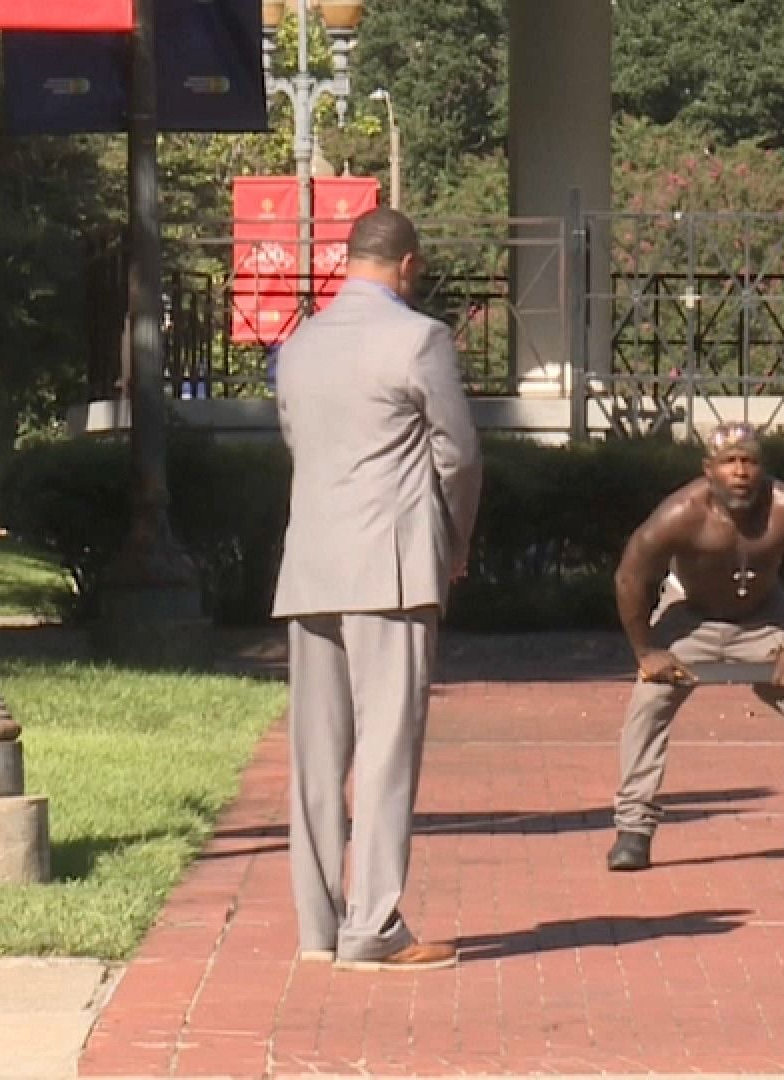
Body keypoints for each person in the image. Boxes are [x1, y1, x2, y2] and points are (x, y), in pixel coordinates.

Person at [271, 208, 482, 972]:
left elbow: (296, 441)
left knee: (317, 756)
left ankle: (317, 927)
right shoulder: (419, 339)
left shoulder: (298, 346)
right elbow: (456, 454)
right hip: (389, 567)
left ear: (347, 258)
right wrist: (452, 542)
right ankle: (375, 924)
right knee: (388, 748)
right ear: (408, 266)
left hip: (311, 565)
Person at [606, 423, 784, 873]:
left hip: (764, 618)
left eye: (750, 462)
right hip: (690, 616)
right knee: (649, 700)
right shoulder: (680, 514)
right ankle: (633, 830)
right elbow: (631, 576)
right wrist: (646, 652)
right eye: (729, 462)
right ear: (710, 470)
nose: (741, 472)